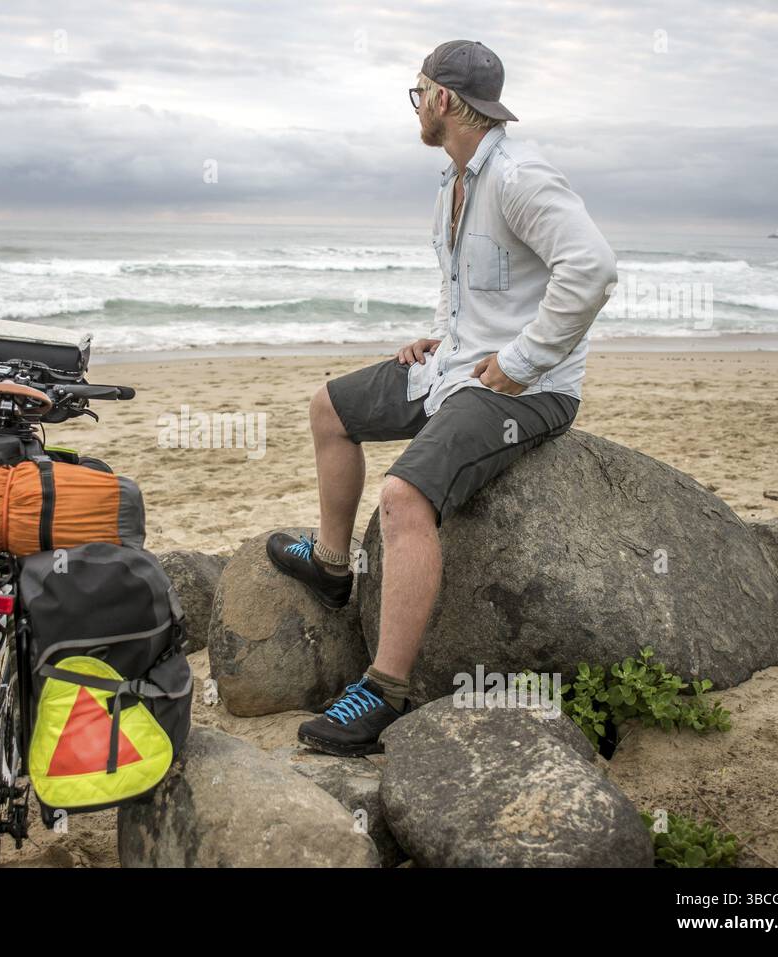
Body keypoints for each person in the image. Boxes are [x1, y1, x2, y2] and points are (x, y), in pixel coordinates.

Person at [268, 40, 618, 756]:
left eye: (418, 91)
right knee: (328, 408)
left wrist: (521, 362)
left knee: (403, 498)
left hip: (528, 390)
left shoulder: (519, 177)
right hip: (455, 365)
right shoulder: (452, 180)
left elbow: (592, 269)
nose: (416, 103)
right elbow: (462, 283)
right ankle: (334, 566)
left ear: (447, 101)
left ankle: (384, 689)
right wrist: (437, 337)